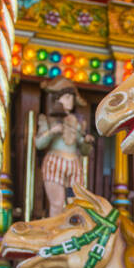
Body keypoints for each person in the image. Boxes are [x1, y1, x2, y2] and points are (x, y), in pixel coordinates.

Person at [35, 77, 94, 218]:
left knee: (74, 201)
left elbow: (85, 150)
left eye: (71, 98)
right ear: (57, 98)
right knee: (57, 203)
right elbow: (38, 143)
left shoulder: (78, 122)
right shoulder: (48, 119)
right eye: (67, 97)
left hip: (73, 166)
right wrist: (51, 132)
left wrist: (86, 141)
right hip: (55, 164)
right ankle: (56, 234)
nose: (70, 101)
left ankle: (71, 233)